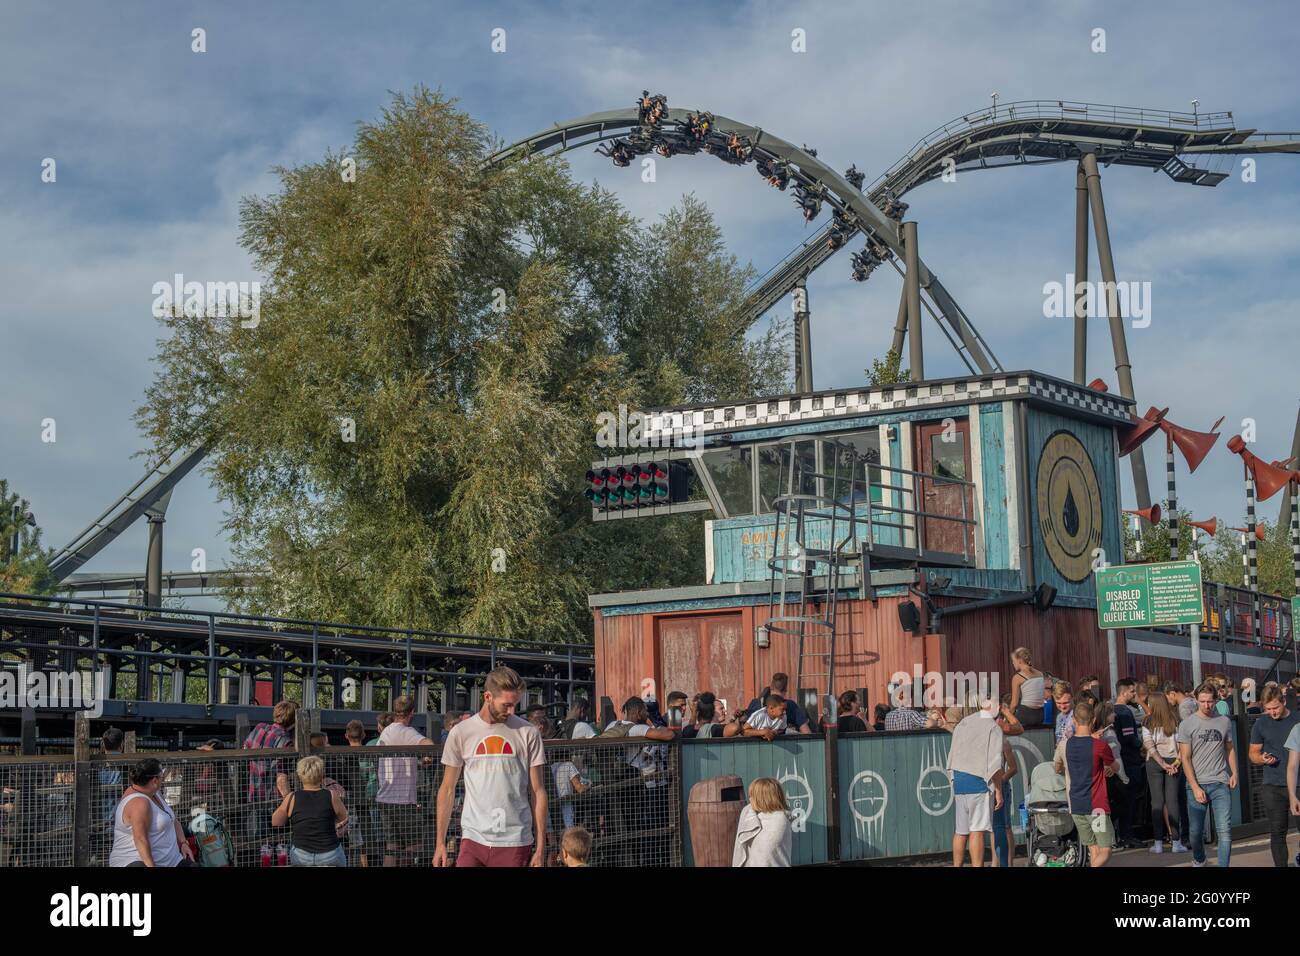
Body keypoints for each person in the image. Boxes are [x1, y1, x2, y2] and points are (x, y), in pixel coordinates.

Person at [434, 666, 547, 868]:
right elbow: (447, 788)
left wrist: (540, 848)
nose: (511, 711)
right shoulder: (461, 732)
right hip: (472, 838)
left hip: (515, 839)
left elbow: (537, 791)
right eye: (506, 705)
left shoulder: (528, 732)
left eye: (515, 705)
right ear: (487, 696)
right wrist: (440, 843)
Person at [1177, 682, 1238, 868]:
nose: (1206, 705)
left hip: (1220, 782)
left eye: (1210, 701)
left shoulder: (1224, 721)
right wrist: (1194, 786)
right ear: (1196, 700)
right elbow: (1185, 758)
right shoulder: (1187, 724)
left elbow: (1229, 748)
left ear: (1216, 700)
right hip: (1197, 784)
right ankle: (1200, 859)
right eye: (1202, 701)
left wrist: (1234, 772)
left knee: (1225, 831)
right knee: (1195, 832)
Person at [376, 695, 433, 867]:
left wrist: (417, 761)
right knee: (413, 846)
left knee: (391, 846)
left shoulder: (386, 731)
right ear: (412, 712)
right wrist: (428, 755)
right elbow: (428, 744)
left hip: (384, 798)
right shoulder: (407, 731)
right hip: (403, 800)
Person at [1060, 701, 1119, 867]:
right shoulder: (1100, 746)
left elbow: (1057, 765)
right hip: (1097, 807)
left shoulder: (1066, 745)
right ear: (1093, 720)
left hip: (1077, 804)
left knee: (1093, 848)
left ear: (1074, 721)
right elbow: (1115, 767)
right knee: (1106, 849)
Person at [946, 703, 1005, 867]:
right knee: (977, 830)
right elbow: (995, 765)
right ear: (997, 707)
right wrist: (999, 791)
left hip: (959, 778)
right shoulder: (993, 727)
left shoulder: (964, 723)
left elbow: (952, 754)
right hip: (979, 782)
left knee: (961, 831)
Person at [1247, 685, 1300, 867]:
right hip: (1272, 785)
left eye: (1275, 708)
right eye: (1268, 709)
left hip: (1298, 784)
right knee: (1277, 832)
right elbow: (1252, 753)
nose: (1272, 712)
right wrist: (1261, 758)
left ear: (1284, 701)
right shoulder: (1261, 723)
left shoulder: (1297, 720)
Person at [109, 759, 196, 867]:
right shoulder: (139, 802)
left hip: (172, 861)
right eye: (161, 776)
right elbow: (140, 839)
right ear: (154, 780)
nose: (163, 779)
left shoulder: (154, 793)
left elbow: (172, 819)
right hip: (138, 861)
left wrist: (183, 843)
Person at [241, 700, 297, 859]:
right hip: (274, 799)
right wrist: (290, 800)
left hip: (255, 795)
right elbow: (281, 777)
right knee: (281, 841)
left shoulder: (258, 728)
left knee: (264, 842)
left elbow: (245, 749)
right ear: (293, 721)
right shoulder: (285, 741)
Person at [272, 755, 348, 866]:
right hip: (330, 854)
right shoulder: (331, 795)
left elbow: (276, 821)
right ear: (322, 775)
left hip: (302, 855)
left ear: (300, 776)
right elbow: (344, 817)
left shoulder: (292, 797)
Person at [1141, 693, 1188, 854]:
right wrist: (1175, 763)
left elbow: (1148, 745)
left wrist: (1161, 763)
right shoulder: (1176, 719)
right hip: (1174, 761)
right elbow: (1183, 743)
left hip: (1154, 763)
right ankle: (1176, 842)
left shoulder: (1147, 721)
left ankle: (1158, 843)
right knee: (1172, 801)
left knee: (1157, 802)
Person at [1111, 678, 1147, 848]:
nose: (1135, 694)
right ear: (1123, 692)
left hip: (1119, 762)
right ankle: (1127, 836)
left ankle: (1119, 836)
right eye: (1132, 691)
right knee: (1129, 802)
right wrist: (1143, 746)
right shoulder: (1125, 713)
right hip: (1129, 762)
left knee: (1119, 801)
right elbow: (1129, 738)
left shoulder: (1112, 709)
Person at [732, 777, 792, 867]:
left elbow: (766, 854)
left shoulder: (780, 819)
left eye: (752, 796)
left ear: (763, 798)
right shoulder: (749, 813)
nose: (750, 799)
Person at [745, 673, 811, 732]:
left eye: (784, 709)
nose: (784, 712)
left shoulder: (784, 714)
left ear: (771, 687)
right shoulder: (759, 710)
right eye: (782, 709)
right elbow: (806, 732)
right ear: (770, 708)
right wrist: (763, 733)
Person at [990, 736, 1018, 867]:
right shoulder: (983, 739)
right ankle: (995, 863)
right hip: (989, 787)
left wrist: (1000, 782)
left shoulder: (1003, 742)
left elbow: (1013, 768)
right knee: (993, 828)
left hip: (1002, 787)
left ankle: (1009, 863)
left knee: (1006, 827)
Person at [551, 753, 591, 830]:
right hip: (566, 801)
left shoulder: (551, 767)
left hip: (553, 804)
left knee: (556, 829)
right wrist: (589, 786)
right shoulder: (568, 765)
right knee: (569, 827)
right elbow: (579, 788)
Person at [1008, 647, 1045, 726]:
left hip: (1026, 715)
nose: (1013, 663)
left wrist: (1008, 718)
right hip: (1041, 715)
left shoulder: (1017, 677)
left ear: (1019, 661)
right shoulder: (1041, 674)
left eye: (1013, 661)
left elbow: (1014, 704)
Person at [1052, 681, 1074, 745]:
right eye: (1058, 703)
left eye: (1066, 703)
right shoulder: (1059, 717)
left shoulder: (1078, 715)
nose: (1062, 707)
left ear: (1073, 698)